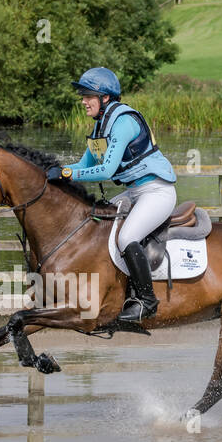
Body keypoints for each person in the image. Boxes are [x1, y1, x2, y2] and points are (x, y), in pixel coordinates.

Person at [45, 67, 177, 323]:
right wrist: (56, 171)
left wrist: (67, 176)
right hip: (134, 192)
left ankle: (146, 301)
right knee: (95, 222)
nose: (83, 101)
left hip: (157, 191)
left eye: (88, 96)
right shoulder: (100, 128)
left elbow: (106, 170)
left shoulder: (124, 122)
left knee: (127, 236)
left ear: (105, 97)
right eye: (82, 96)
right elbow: (83, 165)